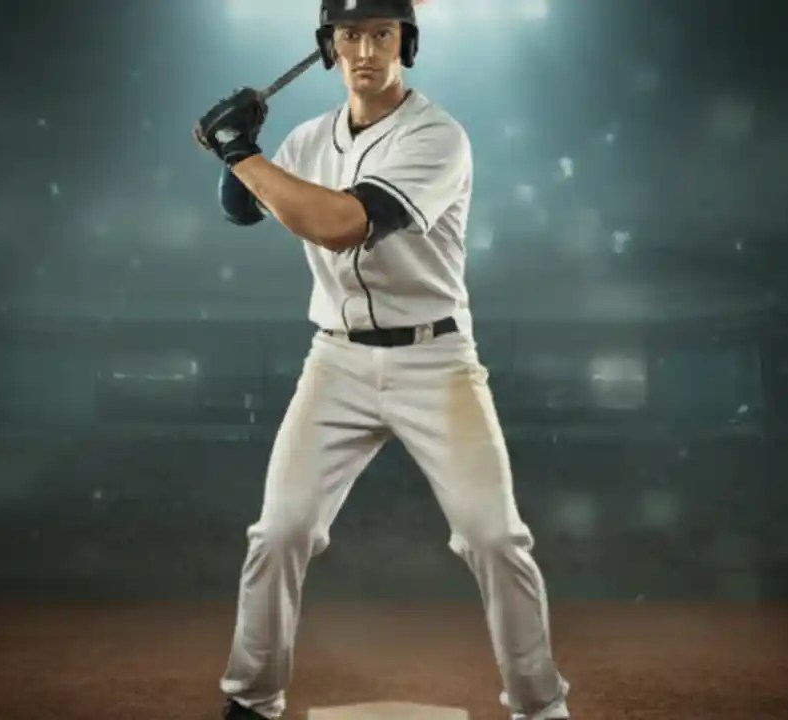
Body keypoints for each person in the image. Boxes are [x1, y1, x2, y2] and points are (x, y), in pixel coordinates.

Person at [193, 1, 571, 718]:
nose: (365, 47)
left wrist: (241, 153)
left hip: (437, 361)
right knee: (279, 532)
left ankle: (539, 705)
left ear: (408, 42)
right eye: (349, 33)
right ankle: (250, 700)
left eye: (382, 32)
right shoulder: (309, 138)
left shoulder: (439, 137)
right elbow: (240, 211)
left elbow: (341, 226)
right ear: (329, 46)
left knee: (495, 538)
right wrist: (234, 153)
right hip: (333, 364)